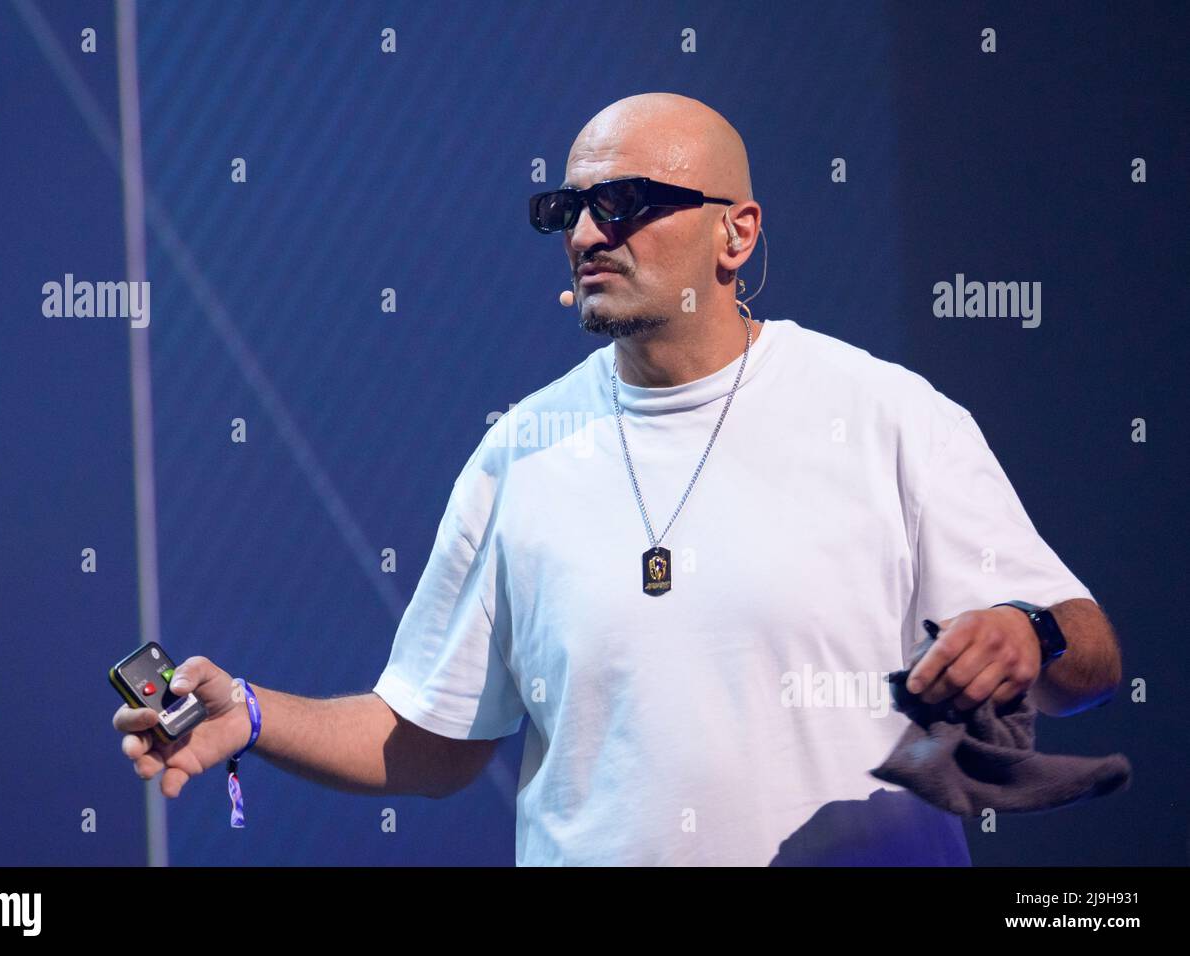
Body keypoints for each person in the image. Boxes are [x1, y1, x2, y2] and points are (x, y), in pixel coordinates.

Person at [114, 92, 1121, 865]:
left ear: (737, 232)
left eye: (626, 202)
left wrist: (1025, 631)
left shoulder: (883, 412)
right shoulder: (523, 448)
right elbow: (431, 732)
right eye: (569, 206)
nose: (589, 232)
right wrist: (248, 711)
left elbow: (1089, 655)